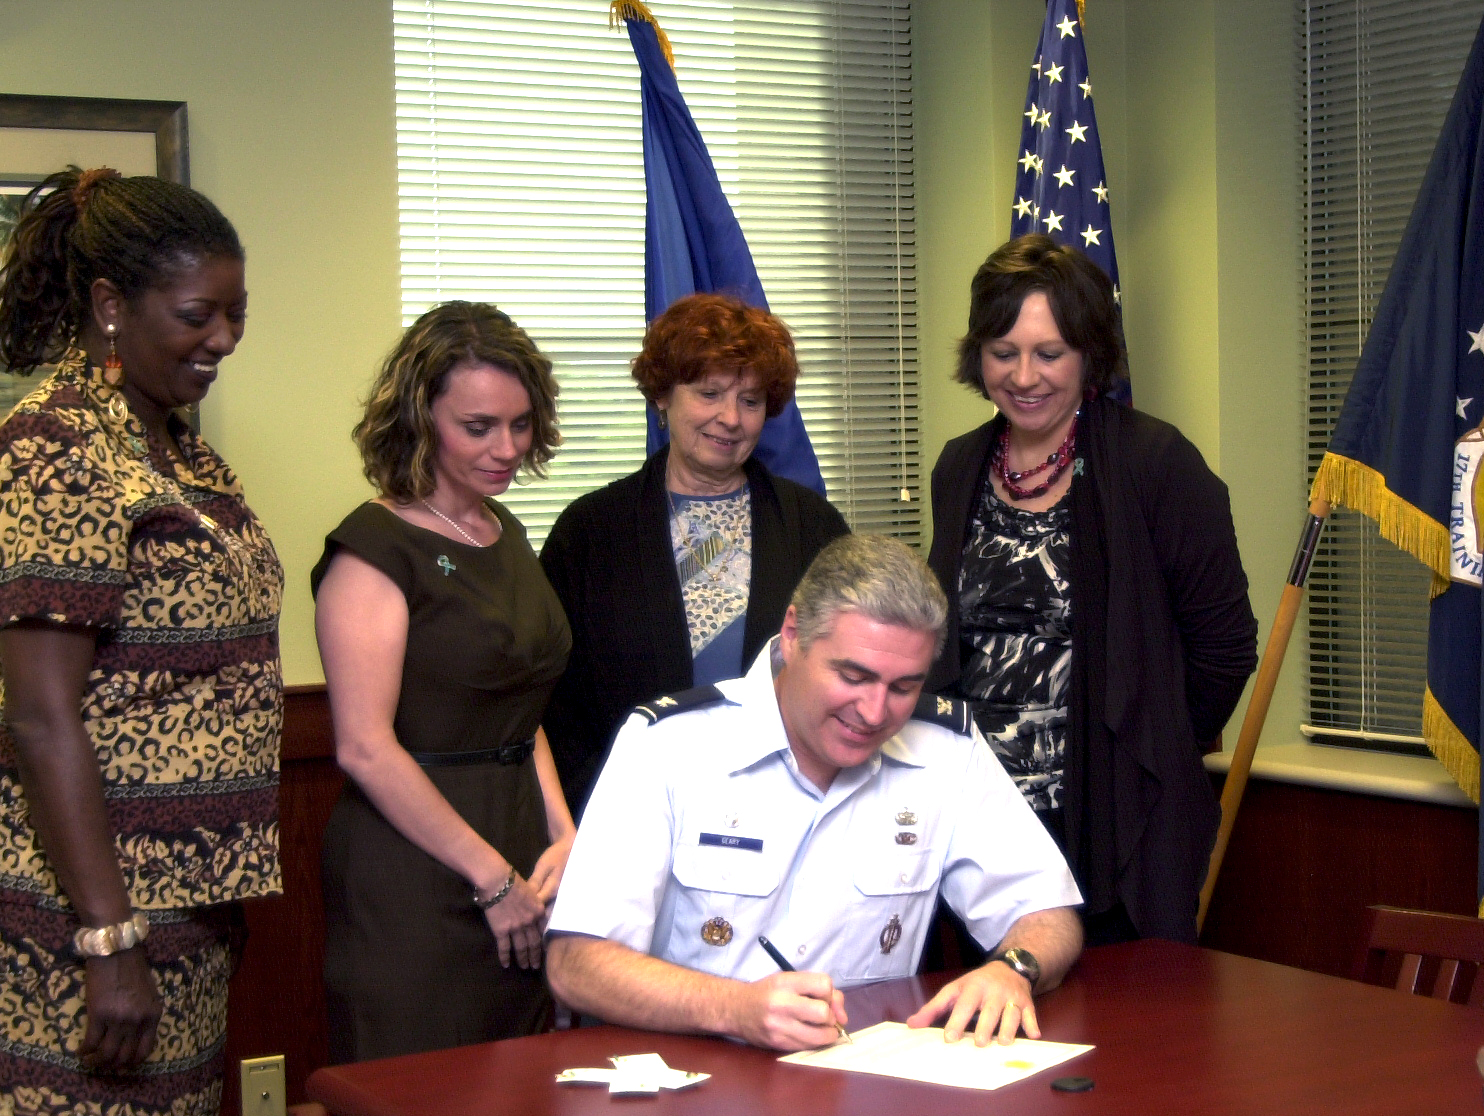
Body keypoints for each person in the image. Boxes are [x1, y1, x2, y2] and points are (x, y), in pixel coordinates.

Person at [546, 534, 1083, 1052]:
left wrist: (1013, 969)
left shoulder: (946, 751)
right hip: (699, 1072)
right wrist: (734, 1008)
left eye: (903, 687)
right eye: (853, 675)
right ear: (793, 633)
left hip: (871, 1078)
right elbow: (577, 963)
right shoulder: (669, 745)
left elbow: (1048, 913)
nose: (875, 712)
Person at [0, 167, 281, 1115]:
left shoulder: (180, 452)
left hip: (189, 918)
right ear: (112, 305)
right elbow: (41, 720)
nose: (225, 340)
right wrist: (109, 940)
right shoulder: (57, 450)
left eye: (237, 314)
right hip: (86, 926)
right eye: (200, 314)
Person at [926, 234, 1259, 946]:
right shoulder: (959, 466)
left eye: (1049, 353)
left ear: (1089, 355)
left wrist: (1152, 741)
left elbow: (1224, 650)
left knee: (1129, 1042)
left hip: (1117, 820)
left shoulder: (1156, 462)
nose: (1024, 376)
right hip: (977, 830)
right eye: (1003, 351)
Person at [312, 301, 575, 1062]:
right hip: (415, 870)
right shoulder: (373, 549)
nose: (507, 448)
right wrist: (490, 878)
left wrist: (562, 832)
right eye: (479, 426)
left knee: (525, 1085)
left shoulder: (506, 530)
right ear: (419, 420)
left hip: (520, 848)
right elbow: (364, 748)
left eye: (521, 424)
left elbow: (521, 707)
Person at [540, 292, 848, 817]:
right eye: (709, 393)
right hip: (634, 812)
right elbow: (557, 707)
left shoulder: (811, 525)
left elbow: (849, 673)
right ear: (663, 395)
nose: (730, 418)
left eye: (750, 401)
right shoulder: (590, 533)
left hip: (788, 809)